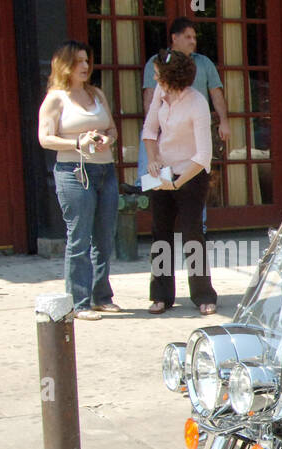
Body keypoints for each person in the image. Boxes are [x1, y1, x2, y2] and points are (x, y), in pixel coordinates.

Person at [37, 41, 120, 321]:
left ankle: (102, 297)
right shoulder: (55, 98)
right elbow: (45, 138)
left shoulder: (95, 92)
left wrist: (108, 138)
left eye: (87, 61)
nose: (85, 66)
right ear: (65, 65)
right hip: (75, 171)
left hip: (105, 170)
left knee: (105, 237)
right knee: (80, 237)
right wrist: (78, 142)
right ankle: (79, 302)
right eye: (79, 62)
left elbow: (111, 127)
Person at [142, 50, 217, 315]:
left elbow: (203, 155)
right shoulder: (160, 98)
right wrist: (153, 160)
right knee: (160, 233)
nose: (153, 77)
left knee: (192, 234)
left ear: (168, 77)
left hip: (192, 175)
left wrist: (178, 182)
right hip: (164, 172)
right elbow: (149, 131)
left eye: (157, 73)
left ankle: (204, 294)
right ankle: (161, 295)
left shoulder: (196, 102)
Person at [139, 18, 229, 184]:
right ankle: (141, 188)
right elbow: (149, 99)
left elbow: (216, 94)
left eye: (194, 37)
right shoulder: (157, 63)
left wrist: (224, 120)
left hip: (194, 130)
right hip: (165, 132)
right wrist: (154, 129)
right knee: (154, 185)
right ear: (174, 38)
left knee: (195, 181)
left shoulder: (204, 63)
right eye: (188, 37)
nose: (193, 42)